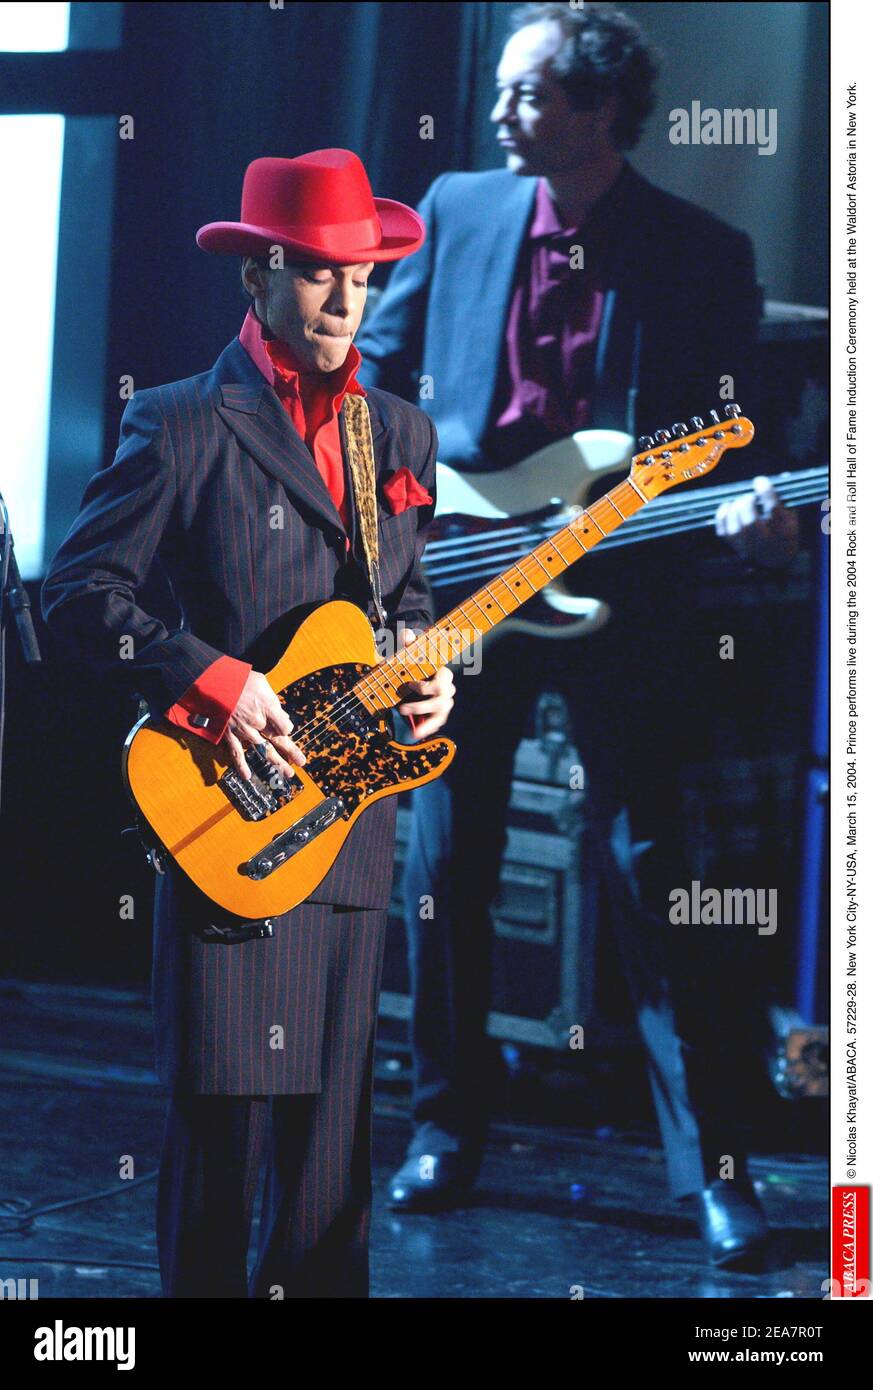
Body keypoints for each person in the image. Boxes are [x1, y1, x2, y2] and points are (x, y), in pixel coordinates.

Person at [356, 2, 799, 1267]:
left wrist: (754, 510)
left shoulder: (700, 251)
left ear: (600, 110)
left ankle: (712, 1172)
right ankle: (444, 1130)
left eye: (527, 96)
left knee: (652, 878)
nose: (499, 115)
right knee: (447, 865)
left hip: (626, 590)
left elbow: (734, 439)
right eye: (501, 93)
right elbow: (383, 382)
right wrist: (401, 532)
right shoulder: (457, 208)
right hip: (466, 583)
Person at [41, 149, 454, 1298]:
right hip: (229, 817)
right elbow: (79, 598)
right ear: (257, 280)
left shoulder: (401, 437)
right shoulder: (180, 423)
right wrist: (212, 680)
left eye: (360, 278)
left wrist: (431, 678)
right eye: (318, 274)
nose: (342, 299)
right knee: (224, 1142)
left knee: (333, 1158)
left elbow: (404, 608)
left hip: (352, 834)